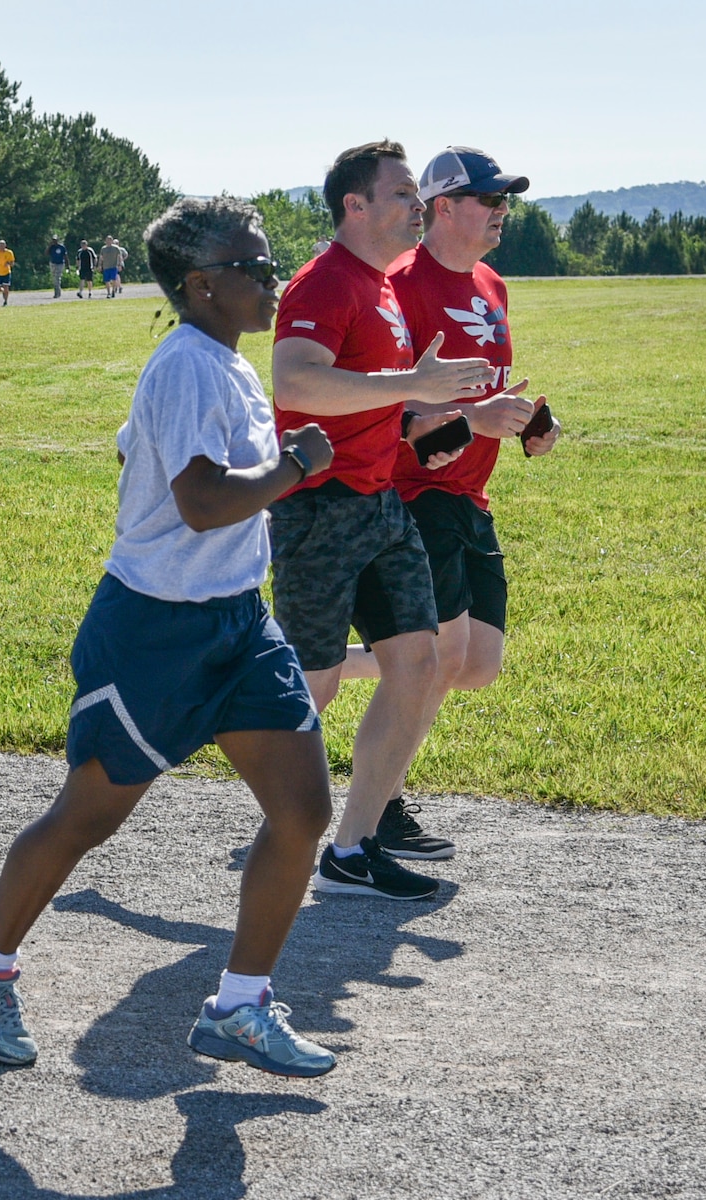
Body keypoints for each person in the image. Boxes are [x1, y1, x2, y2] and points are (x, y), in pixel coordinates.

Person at [0, 195, 339, 1080]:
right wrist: (295, 467)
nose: (272, 279)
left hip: (238, 621)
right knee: (87, 818)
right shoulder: (188, 364)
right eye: (254, 266)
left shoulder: (223, 363)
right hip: (155, 630)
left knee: (304, 810)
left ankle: (239, 1006)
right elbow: (202, 504)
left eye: (271, 262)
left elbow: (133, 450)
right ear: (202, 284)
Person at [269, 140, 494, 900]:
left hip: (381, 505)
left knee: (419, 665)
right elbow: (297, 385)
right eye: (402, 194)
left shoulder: (380, 286)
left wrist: (437, 420)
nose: (416, 206)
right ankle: (155, 730)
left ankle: (351, 850)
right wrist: (410, 385)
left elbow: (378, 397)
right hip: (318, 510)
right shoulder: (325, 281)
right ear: (355, 205)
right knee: (312, 686)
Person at [342, 147, 561, 851]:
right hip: (412, 489)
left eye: (505, 200)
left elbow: (483, 392)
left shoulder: (493, 284)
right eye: (488, 199)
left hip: (470, 494)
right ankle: (380, 812)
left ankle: (318, 663)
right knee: (440, 655)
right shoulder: (399, 282)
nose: (502, 211)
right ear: (442, 206)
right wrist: (471, 420)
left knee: (477, 664)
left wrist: (525, 423)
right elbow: (383, 403)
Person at [0, 240, 15, 305]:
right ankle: (4, 291)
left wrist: (8, 263)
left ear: (5, 245)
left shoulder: (9, 252)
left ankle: (5, 301)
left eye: (2, 245)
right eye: (0, 245)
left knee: (6, 286)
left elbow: (12, 263)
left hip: (6, 272)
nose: (1, 247)